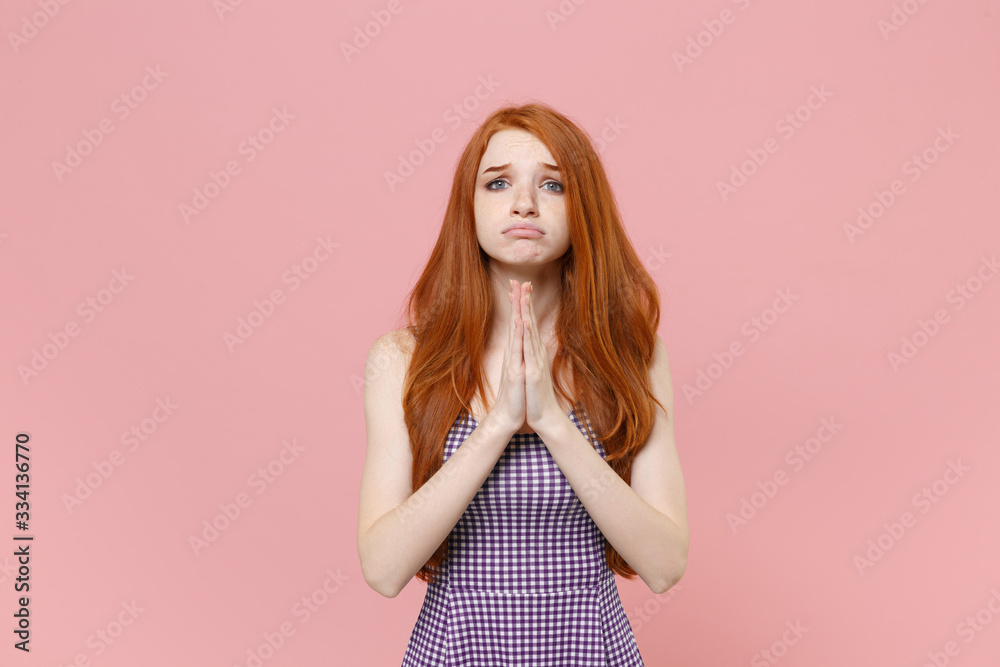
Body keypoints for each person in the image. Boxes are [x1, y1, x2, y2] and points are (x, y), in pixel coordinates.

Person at [357, 101, 689, 666]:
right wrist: (501, 423)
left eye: (554, 185)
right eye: (498, 182)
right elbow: (385, 569)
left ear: (584, 207)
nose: (524, 203)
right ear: (470, 205)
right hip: (454, 651)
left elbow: (663, 565)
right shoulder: (402, 360)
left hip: (591, 651)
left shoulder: (632, 357)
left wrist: (555, 424)